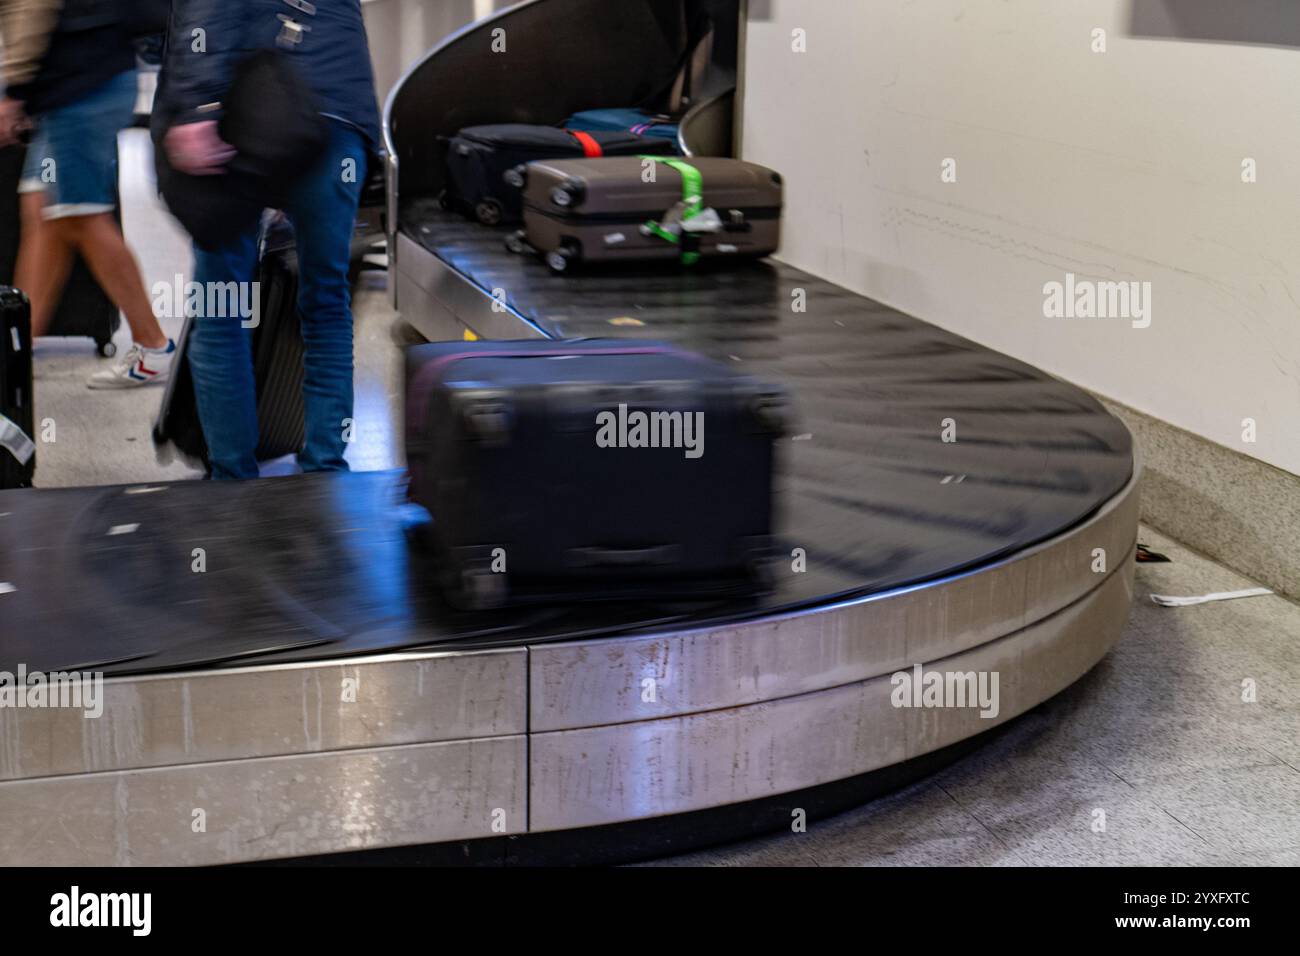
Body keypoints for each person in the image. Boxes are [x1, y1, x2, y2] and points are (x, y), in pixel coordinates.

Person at [156, 0, 379, 480]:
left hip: (246, 105)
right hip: (338, 112)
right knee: (326, 300)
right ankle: (324, 466)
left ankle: (234, 476)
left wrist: (196, 101)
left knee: (221, 305)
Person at [0, 0, 177, 388]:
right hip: (81, 81)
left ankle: (153, 345)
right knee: (43, 213)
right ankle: (13, 352)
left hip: (80, 87)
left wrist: (13, 92)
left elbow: (31, 8)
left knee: (79, 216)